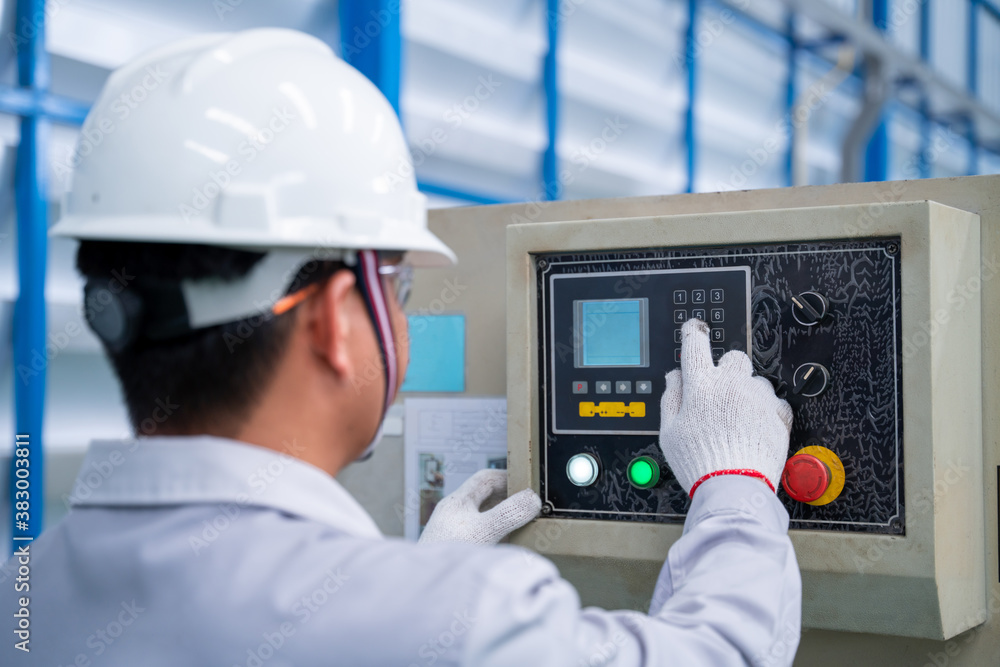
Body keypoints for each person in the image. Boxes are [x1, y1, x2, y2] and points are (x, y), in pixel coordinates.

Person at [2, 29, 800, 666]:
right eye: (399, 287)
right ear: (334, 319)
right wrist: (733, 485)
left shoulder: (23, 599)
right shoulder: (470, 621)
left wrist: (409, 574)